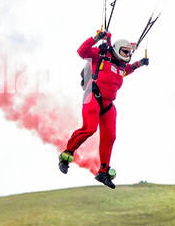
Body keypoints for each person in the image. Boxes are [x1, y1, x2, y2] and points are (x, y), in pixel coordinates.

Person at [58, 30, 149, 188]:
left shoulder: (120, 66)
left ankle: (103, 172)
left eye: (129, 52)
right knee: (90, 128)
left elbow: (124, 71)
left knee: (110, 137)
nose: (127, 54)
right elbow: (82, 52)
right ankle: (66, 154)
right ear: (117, 48)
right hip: (93, 96)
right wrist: (95, 38)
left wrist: (139, 63)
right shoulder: (101, 55)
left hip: (108, 104)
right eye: (125, 51)